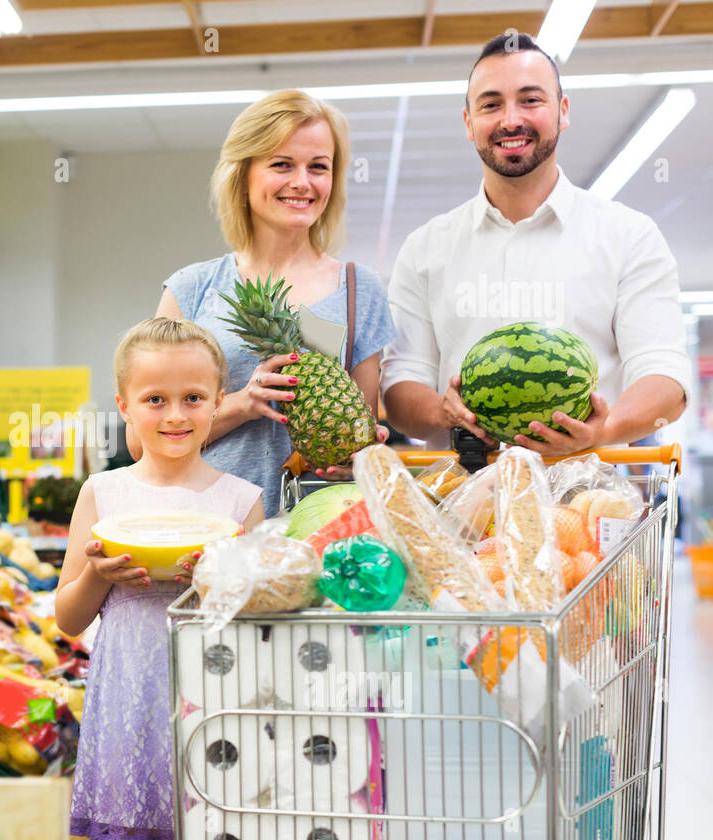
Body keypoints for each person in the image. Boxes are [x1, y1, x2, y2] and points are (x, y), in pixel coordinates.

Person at [382, 32, 691, 452]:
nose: (511, 120)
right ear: (469, 123)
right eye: (491, 104)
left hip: (588, 500)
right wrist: (442, 412)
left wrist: (604, 429)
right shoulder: (425, 249)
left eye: (531, 100)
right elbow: (400, 389)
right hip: (462, 502)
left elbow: (665, 378)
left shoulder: (629, 236)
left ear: (562, 111)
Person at [58, 317, 263, 840]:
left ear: (220, 401)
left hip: (220, 700)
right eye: (155, 399)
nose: (175, 415)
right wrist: (97, 576)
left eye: (193, 397)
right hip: (132, 699)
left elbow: (260, 623)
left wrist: (220, 584)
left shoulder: (242, 501)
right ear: (123, 406)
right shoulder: (103, 493)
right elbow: (68, 619)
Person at [148, 89, 396, 516]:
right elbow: (144, 440)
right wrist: (242, 404)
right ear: (244, 175)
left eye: (318, 167)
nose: (302, 182)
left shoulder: (361, 291)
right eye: (282, 164)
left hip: (317, 528)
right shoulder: (192, 290)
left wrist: (357, 452)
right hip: (205, 525)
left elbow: (361, 433)